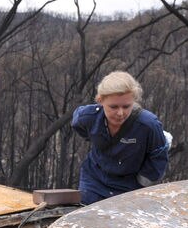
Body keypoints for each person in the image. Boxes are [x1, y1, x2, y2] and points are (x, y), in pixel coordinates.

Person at [72, 71, 171, 205]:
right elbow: (78, 126)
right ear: (100, 101)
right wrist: (97, 138)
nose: (120, 113)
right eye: (113, 107)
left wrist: (141, 183)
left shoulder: (148, 125)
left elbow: (158, 157)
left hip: (130, 185)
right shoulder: (87, 117)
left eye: (126, 106)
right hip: (94, 180)